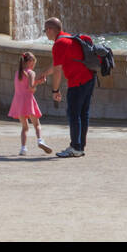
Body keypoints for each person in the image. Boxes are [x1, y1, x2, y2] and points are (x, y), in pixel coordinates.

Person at [38, 17, 95, 158]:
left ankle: (75, 147)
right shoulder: (68, 38)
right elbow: (57, 64)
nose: (45, 33)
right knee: (83, 114)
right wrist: (44, 73)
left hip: (78, 82)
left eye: (45, 30)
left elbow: (58, 71)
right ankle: (80, 147)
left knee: (74, 114)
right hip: (89, 78)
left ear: (50, 30)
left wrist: (55, 91)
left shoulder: (59, 44)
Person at [9, 52, 52, 155]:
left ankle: (23, 148)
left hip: (18, 101)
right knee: (37, 124)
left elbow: (25, 85)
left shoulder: (17, 73)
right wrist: (38, 84)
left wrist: (36, 82)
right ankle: (40, 140)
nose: (33, 65)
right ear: (29, 62)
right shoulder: (31, 73)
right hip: (28, 101)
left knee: (25, 127)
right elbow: (30, 87)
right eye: (33, 63)